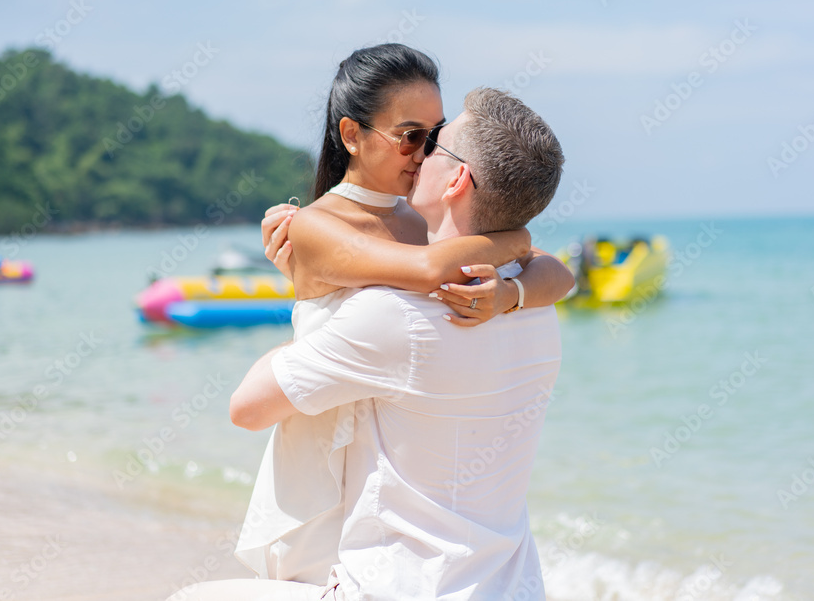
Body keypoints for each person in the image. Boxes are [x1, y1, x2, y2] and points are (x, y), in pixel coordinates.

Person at [171, 86, 565, 600]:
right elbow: (550, 270)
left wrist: (317, 297)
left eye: (434, 142)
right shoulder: (534, 306)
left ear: (457, 179)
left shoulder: (393, 316)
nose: (419, 154)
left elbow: (247, 408)